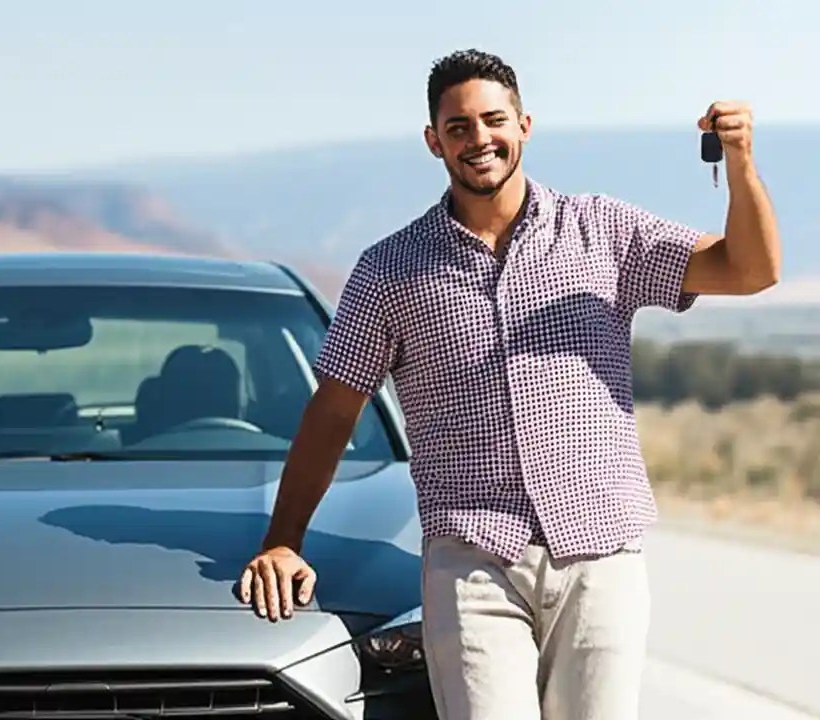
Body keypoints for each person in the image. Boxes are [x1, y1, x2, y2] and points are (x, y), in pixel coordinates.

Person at [237, 48, 780, 720]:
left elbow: (750, 270)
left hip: (601, 555)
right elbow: (333, 411)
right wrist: (283, 540)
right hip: (473, 564)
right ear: (433, 141)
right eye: (458, 127)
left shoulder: (604, 231)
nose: (479, 139)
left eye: (494, 120)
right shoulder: (389, 270)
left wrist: (741, 163)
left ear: (524, 125)